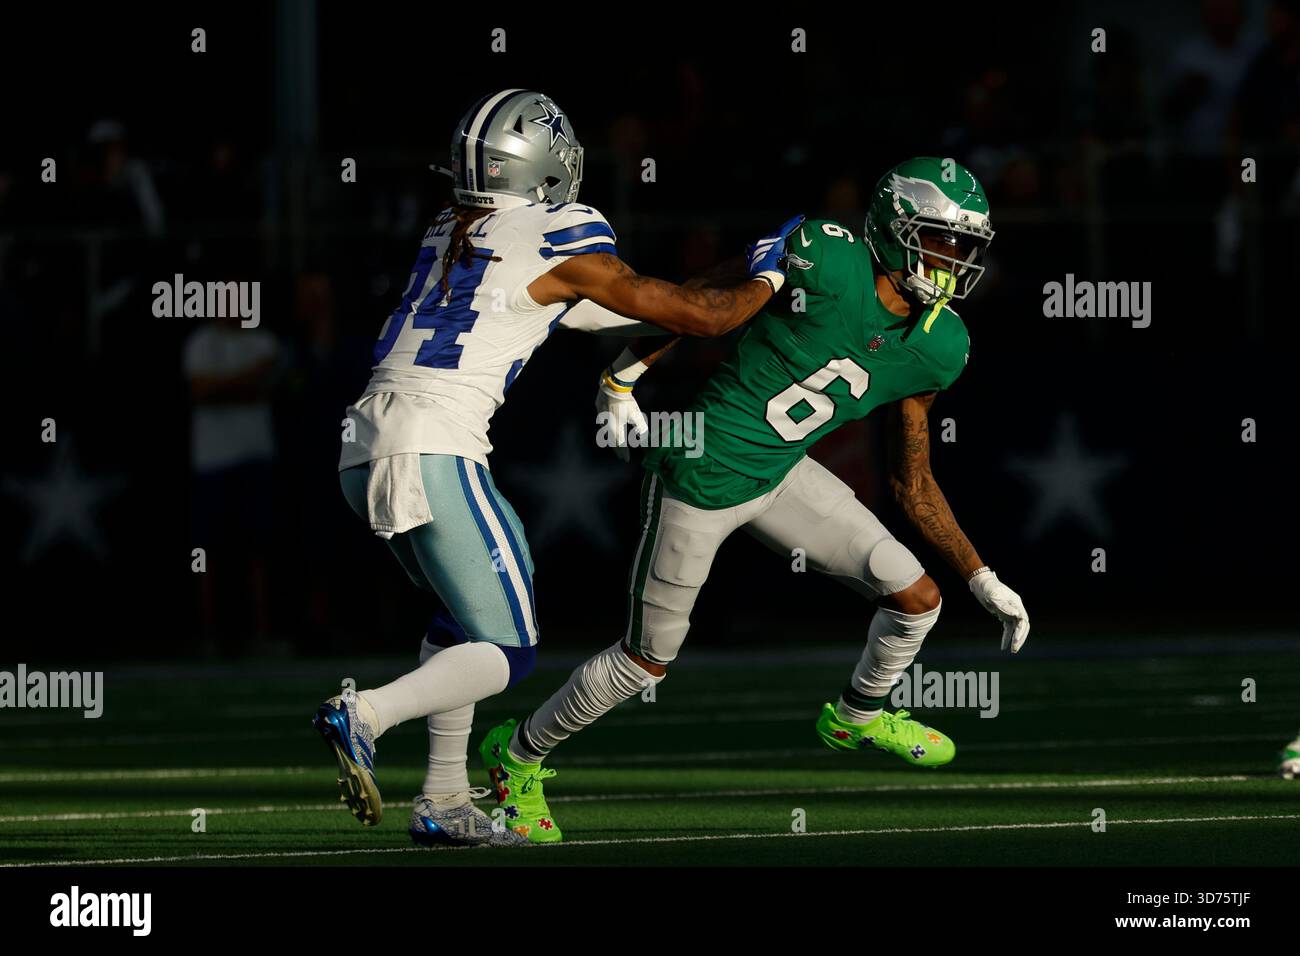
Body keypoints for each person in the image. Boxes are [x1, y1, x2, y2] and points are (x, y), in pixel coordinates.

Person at [482, 158, 1030, 843]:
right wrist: (625, 377)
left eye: (962, 247)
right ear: (894, 227)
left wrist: (981, 574)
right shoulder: (826, 254)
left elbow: (911, 481)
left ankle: (856, 715)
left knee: (918, 599)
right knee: (646, 660)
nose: (952, 261)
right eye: (941, 240)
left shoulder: (941, 344)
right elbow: (700, 295)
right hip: (700, 475)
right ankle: (518, 755)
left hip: (779, 472)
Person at [311, 88, 799, 848]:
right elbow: (701, 319)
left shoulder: (452, 226)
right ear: (541, 170)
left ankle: (445, 800)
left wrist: (729, 271)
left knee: (460, 621)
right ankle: (365, 713)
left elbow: (645, 308)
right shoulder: (558, 231)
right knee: (510, 651)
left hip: (363, 443)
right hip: (436, 445)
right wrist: (768, 275)